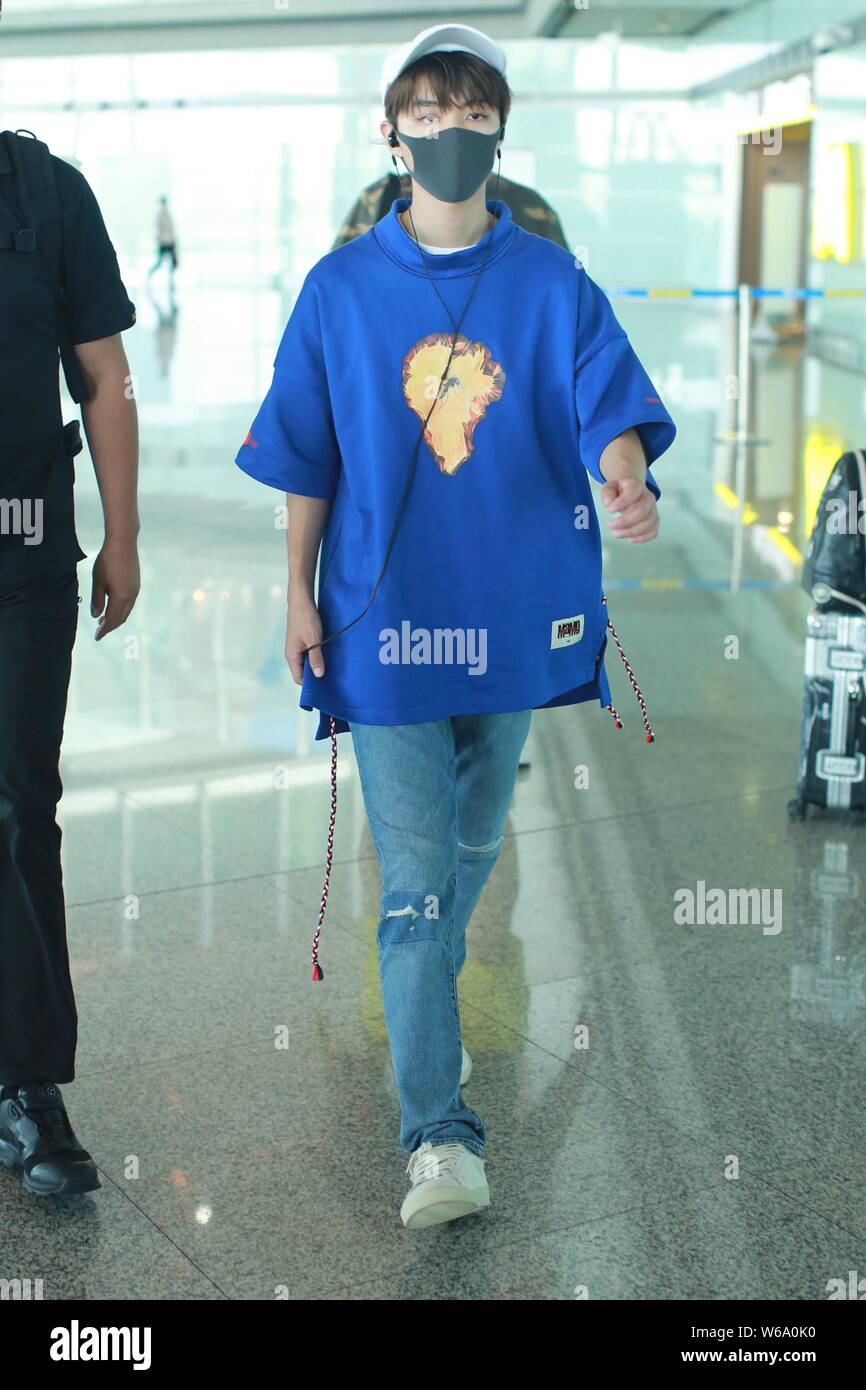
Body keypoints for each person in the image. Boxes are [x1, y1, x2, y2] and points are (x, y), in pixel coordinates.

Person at [235, 22, 676, 1229]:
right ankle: (437, 1133)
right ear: (390, 130)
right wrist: (293, 591)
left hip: (510, 611)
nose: (445, 133)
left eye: (468, 113)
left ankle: (430, 996)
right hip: (382, 620)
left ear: (498, 129)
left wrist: (623, 469)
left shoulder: (546, 280)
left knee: (468, 854)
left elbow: (603, 398)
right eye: (423, 114)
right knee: (419, 879)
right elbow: (304, 453)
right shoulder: (338, 290)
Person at [0, 129, 139, 1196]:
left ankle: (26, 1082)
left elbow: (103, 376)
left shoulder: (45, 191)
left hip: (21, 556)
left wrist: (124, 533)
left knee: (12, 807)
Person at [148, 195, 178, 284]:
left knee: (173, 263)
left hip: (170, 242)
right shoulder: (159, 216)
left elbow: (172, 229)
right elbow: (158, 230)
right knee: (159, 262)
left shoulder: (168, 215)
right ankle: (150, 275)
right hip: (163, 242)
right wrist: (159, 239)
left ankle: (171, 281)